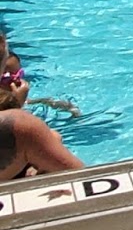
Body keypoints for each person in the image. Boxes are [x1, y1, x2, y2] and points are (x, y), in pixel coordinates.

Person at [0, 39, 84, 180]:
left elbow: (44, 101)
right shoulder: (23, 123)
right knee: (54, 137)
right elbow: (84, 177)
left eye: (18, 75)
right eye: (7, 78)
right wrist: (16, 106)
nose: (15, 82)